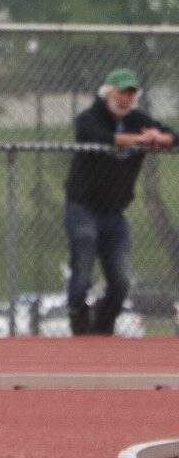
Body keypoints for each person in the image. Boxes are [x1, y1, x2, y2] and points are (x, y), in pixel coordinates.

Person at [63, 67, 173, 336]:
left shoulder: (138, 119)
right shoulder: (91, 117)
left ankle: (101, 331)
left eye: (130, 94)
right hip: (82, 207)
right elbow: (95, 137)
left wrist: (161, 138)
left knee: (121, 281)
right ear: (107, 91)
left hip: (114, 213)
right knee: (84, 255)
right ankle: (79, 323)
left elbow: (171, 135)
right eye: (121, 92)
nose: (125, 98)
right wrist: (140, 139)